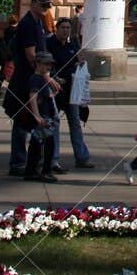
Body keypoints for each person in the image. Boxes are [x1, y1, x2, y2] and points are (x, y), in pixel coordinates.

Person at [5, 0, 53, 177]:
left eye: (48, 5)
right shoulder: (28, 24)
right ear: (33, 3)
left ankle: (32, 162)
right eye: (43, 5)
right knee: (22, 122)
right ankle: (19, 163)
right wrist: (45, 76)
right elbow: (31, 54)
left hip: (32, 79)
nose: (46, 8)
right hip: (25, 80)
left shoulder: (37, 22)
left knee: (30, 121)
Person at [49, 15, 94, 170]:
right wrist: (55, 77)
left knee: (75, 123)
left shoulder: (73, 43)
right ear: (57, 29)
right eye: (63, 28)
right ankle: (53, 159)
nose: (66, 31)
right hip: (55, 90)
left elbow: (80, 59)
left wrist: (81, 64)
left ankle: (82, 157)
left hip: (71, 90)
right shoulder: (49, 43)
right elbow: (47, 65)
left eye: (68, 28)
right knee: (54, 123)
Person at [22, 50, 60, 183]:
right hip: (42, 118)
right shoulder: (36, 79)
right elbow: (32, 97)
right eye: (46, 64)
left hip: (45, 116)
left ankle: (31, 171)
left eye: (50, 64)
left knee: (36, 145)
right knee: (48, 145)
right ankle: (45, 171)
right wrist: (37, 116)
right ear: (37, 64)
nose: (48, 67)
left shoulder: (42, 78)